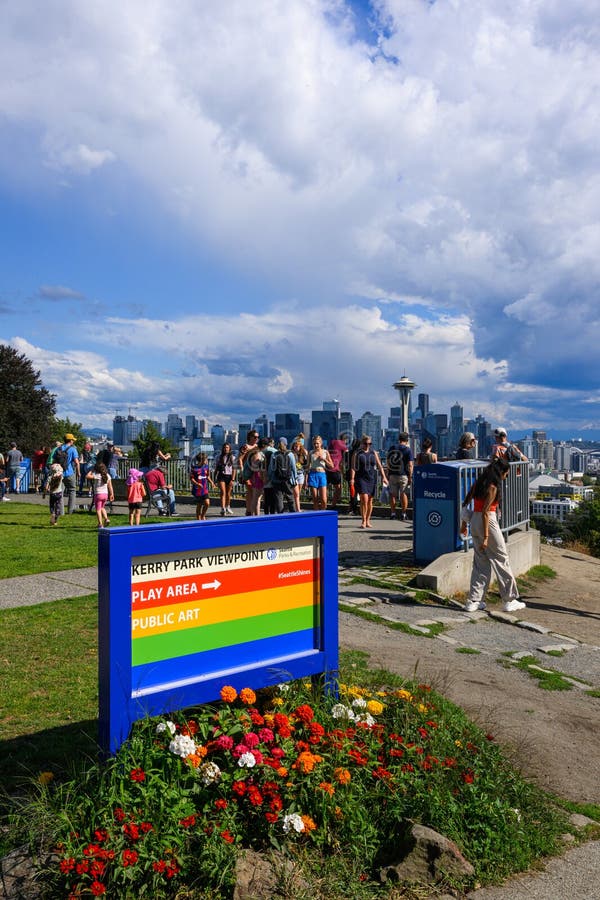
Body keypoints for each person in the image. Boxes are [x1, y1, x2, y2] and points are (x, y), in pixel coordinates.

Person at [461, 457, 526, 614]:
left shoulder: (480, 482)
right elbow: (485, 512)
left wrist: (464, 524)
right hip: (487, 522)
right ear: (501, 472)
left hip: (474, 520)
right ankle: (509, 600)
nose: (505, 477)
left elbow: (467, 500)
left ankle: (474, 600)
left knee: (480, 562)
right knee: (501, 559)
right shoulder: (493, 487)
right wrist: (487, 537)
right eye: (506, 474)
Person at [350, 435, 388, 528]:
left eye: (369, 444)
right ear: (362, 443)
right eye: (366, 443)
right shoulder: (357, 453)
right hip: (361, 478)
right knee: (364, 498)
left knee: (370, 500)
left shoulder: (373, 453)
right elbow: (353, 467)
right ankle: (363, 520)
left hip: (371, 478)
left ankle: (368, 520)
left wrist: (384, 477)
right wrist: (352, 479)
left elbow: (379, 465)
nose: (368, 445)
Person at [385, 432, 413, 520]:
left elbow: (388, 461)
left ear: (399, 439)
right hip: (403, 474)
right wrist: (410, 476)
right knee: (403, 494)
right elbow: (410, 465)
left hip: (393, 474)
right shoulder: (408, 450)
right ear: (407, 440)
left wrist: (388, 473)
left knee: (392, 494)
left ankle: (393, 513)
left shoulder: (392, 448)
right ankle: (403, 514)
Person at [268, 437, 297, 514]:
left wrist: (271, 478)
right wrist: (295, 480)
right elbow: (293, 468)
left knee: (279, 499)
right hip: (288, 479)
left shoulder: (274, 454)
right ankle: (293, 514)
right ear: (286, 444)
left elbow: (271, 468)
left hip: (276, 479)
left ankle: (280, 515)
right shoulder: (290, 454)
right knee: (290, 497)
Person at [307, 435, 333, 511]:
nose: (316, 445)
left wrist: (324, 459)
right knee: (315, 499)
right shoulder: (311, 453)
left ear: (321, 443)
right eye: (314, 443)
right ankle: (316, 516)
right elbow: (308, 465)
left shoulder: (325, 452)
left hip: (322, 474)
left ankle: (323, 513)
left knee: (324, 499)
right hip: (312, 474)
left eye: (317, 443)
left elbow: (331, 466)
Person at [86, 461, 114, 528]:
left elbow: (87, 476)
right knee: (102, 508)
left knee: (98, 509)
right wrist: (112, 494)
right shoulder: (108, 476)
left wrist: (91, 470)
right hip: (105, 494)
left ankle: (100, 524)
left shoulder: (97, 475)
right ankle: (106, 519)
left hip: (98, 494)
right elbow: (110, 486)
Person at [238, 430, 259, 515]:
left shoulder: (257, 446)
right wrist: (242, 471)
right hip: (247, 472)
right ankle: (249, 510)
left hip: (255, 472)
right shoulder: (245, 447)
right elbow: (240, 458)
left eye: (257, 437)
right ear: (250, 437)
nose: (256, 438)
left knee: (254, 492)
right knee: (250, 491)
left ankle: (250, 510)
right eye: (255, 437)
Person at [59, 434, 80, 515]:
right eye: (73, 440)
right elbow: (77, 462)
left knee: (60, 493)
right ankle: (70, 511)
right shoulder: (73, 449)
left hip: (60, 473)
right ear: (70, 440)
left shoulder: (59, 448)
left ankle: (61, 512)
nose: (73, 441)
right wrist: (78, 472)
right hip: (69, 472)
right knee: (72, 491)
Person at [213, 442, 236, 516]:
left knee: (228, 493)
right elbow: (216, 468)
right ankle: (222, 508)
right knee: (223, 492)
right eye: (224, 447)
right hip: (221, 476)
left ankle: (227, 506)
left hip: (229, 476)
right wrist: (214, 477)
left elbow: (234, 469)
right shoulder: (219, 457)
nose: (226, 449)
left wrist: (232, 479)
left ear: (229, 449)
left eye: (227, 447)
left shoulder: (232, 457)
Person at [190, 453, 215, 520]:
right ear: (201, 460)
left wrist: (211, 482)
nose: (207, 460)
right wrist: (197, 484)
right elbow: (191, 479)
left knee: (207, 503)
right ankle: (198, 519)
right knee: (199, 504)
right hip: (197, 490)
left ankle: (203, 515)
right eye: (205, 459)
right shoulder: (194, 468)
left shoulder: (206, 467)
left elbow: (207, 476)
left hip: (204, 489)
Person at [326, 433, 347, 509]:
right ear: (345, 440)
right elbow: (347, 453)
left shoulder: (332, 442)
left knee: (325, 487)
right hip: (335, 468)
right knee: (338, 488)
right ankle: (333, 505)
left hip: (327, 467)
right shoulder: (342, 444)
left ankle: (324, 503)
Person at [290, 439, 309, 512]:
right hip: (293, 475)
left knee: (298, 493)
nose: (295, 447)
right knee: (296, 493)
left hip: (301, 475)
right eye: (294, 446)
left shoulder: (303, 455)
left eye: (297, 446)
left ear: (300, 447)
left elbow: (306, 466)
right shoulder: (291, 454)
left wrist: (306, 454)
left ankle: (296, 507)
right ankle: (297, 509)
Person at [345, 438, 361, 516]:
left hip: (349, 475)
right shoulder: (360, 453)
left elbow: (344, 464)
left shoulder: (348, 453)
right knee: (360, 492)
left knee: (353, 493)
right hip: (359, 475)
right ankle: (358, 509)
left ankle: (353, 509)